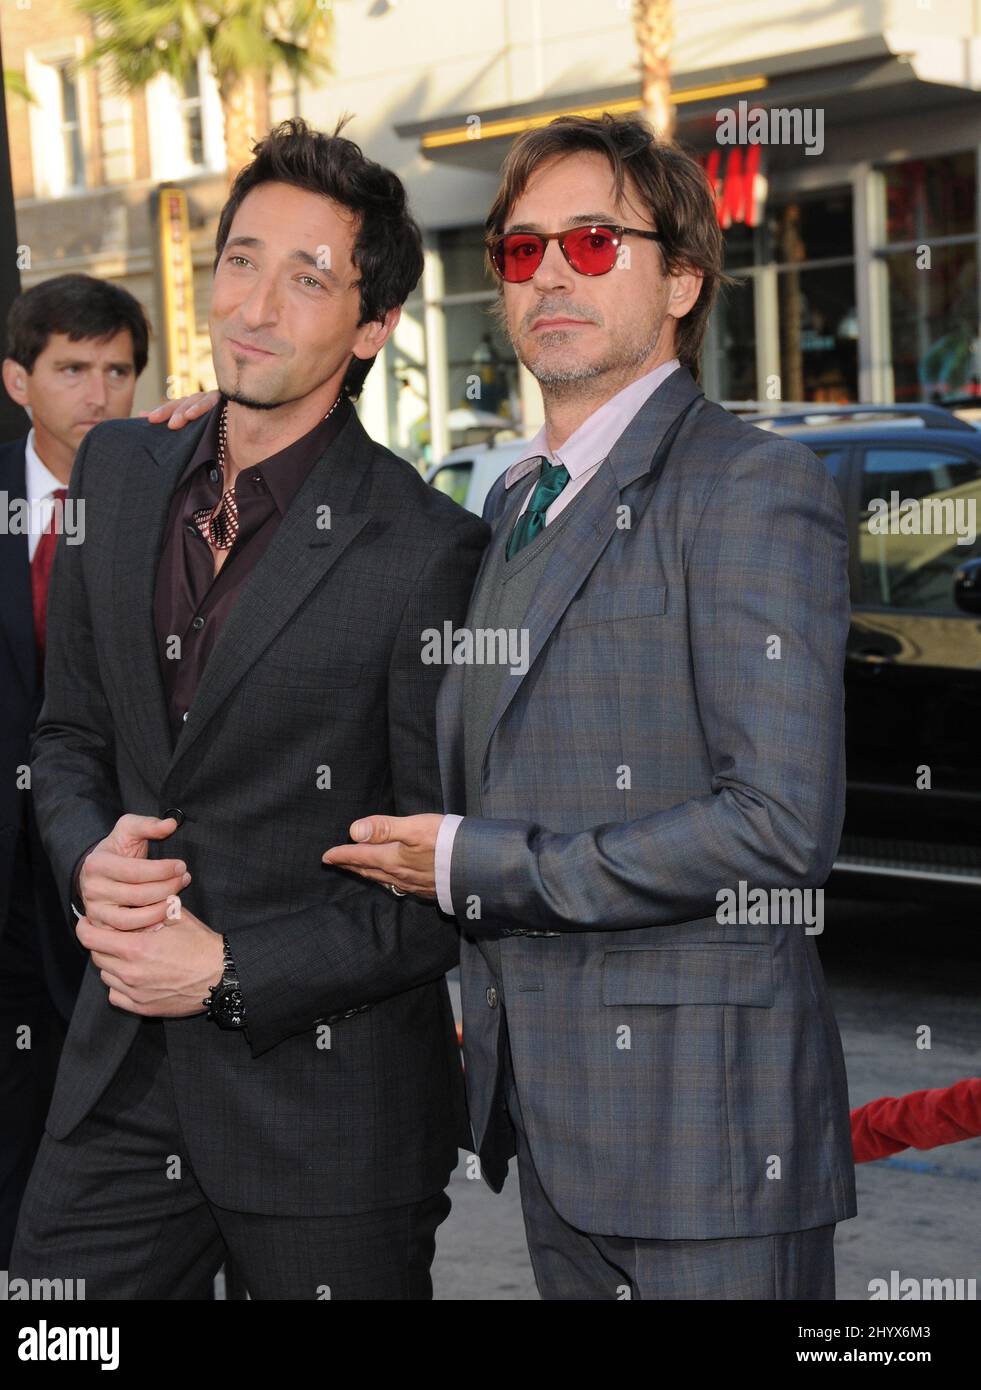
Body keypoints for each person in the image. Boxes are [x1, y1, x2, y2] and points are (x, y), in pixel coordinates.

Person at [321, 114, 858, 1300]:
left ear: (679, 278)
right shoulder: (513, 495)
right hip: (548, 1125)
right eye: (519, 250)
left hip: (707, 1139)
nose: (550, 271)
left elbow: (776, 826)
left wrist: (481, 863)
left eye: (593, 240)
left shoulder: (748, 486)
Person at [9, 118, 487, 1300]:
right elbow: (69, 736)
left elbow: (438, 883)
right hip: (119, 1088)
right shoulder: (116, 473)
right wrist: (89, 861)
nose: (254, 305)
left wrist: (223, 968)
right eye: (239, 259)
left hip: (327, 1120)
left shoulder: (426, 551)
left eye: (307, 277)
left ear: (372, 327)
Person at [0, 274, 149, 1297]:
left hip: (119, 898)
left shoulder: (173, 503)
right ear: (17, 379)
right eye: (73, 369)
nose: (99, 394)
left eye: (117, 370)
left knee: (120, 1166)